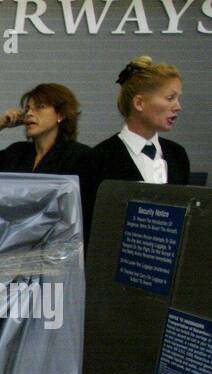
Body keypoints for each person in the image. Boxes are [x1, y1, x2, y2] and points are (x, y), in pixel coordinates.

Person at [82, 57, 190, 240]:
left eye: (178, 98)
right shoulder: (99, 158)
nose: (178, 107)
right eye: (170, 98)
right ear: (139, 103)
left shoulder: (177, 155)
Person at [0, 83, 90, 175]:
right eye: (27, 109)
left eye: (40, 107)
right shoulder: (18, 152)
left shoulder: (78, 155)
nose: (29, 113)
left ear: (60, 114)